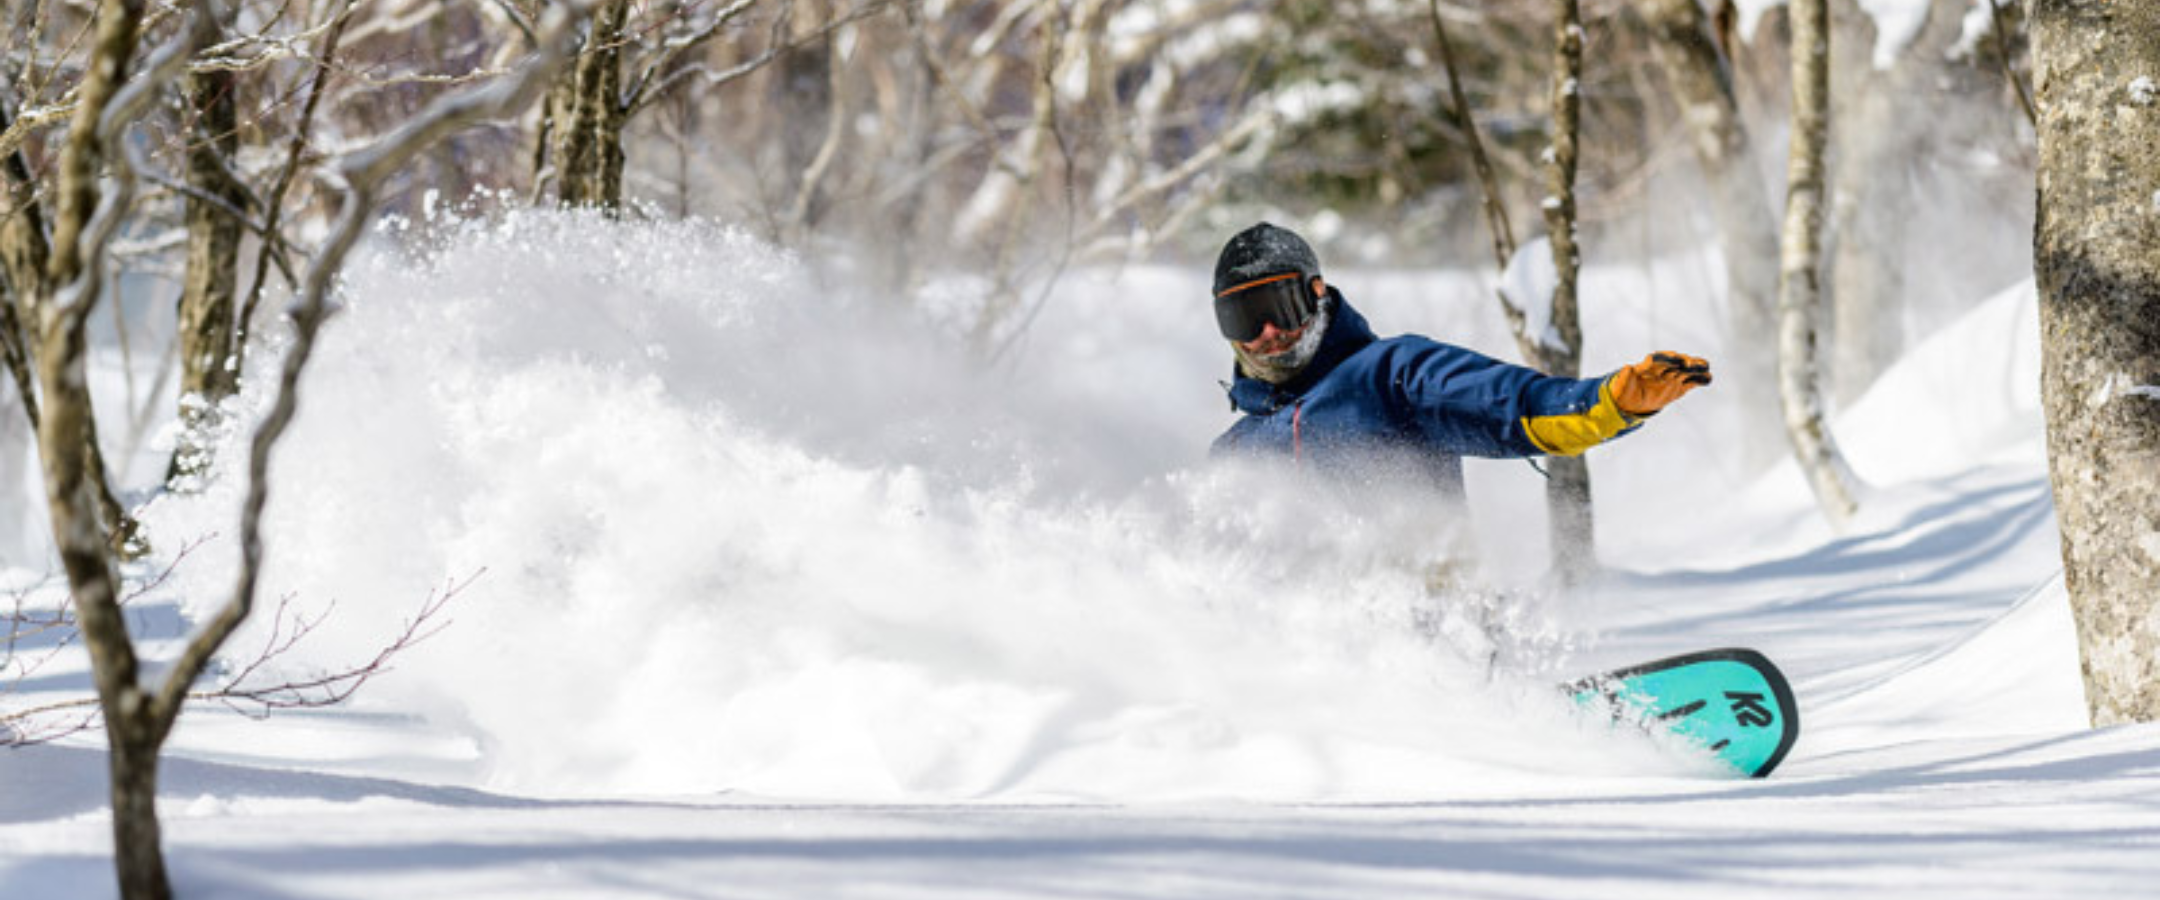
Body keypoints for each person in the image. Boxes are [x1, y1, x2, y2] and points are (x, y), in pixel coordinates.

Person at [1209, 221, 1712, 499]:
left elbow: (1509, 405)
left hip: (1428, 654)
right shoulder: (1233, 456)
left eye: (1279, 307)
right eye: (1244, 318)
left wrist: (1608, 403)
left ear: (1316, 294)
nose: (1268, 332)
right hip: (1287, 678)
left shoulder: (1389, 375)